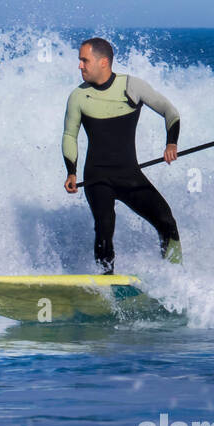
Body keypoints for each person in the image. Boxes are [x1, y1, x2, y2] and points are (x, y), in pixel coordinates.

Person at [63, 37, 183, 272]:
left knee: (166, 221)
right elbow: (69, 136)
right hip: (97, 178)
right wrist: (71, 173)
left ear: (103, 62)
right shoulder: (78, 96)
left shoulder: (132, 87)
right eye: (80, 61)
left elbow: (171, 112)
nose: (80, 66)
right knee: (104, 227)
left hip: (130, 175)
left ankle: (175, 276)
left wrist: (171, 144)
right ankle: (106, 282)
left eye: (84, 60)